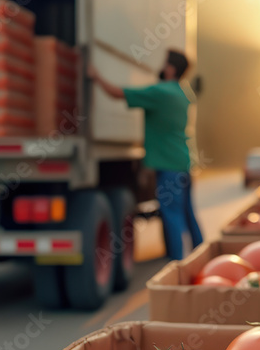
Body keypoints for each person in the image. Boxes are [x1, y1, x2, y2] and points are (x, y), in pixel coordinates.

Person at [87, 50, 204, 260]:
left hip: (168, 167)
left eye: (164, 63)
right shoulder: (183, 94)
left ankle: (176, 266)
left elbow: (117, 93)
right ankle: (203, 258)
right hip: (183, 163)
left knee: (172, 216)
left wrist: (96, 77)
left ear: (170, 69)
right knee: (188, 215)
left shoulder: (161, 93)